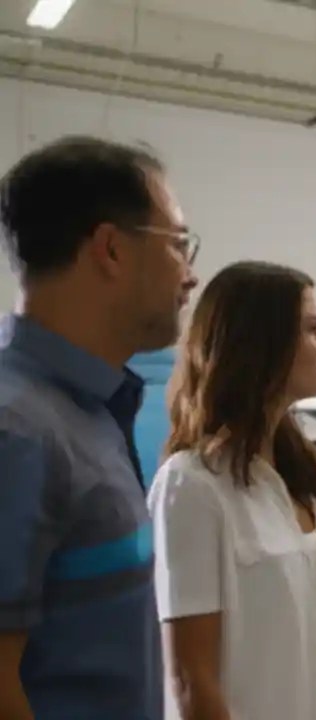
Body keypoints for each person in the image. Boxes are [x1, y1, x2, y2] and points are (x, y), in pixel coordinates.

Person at [0, 136, 199, 720]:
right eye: (179, 246)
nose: (190, 276)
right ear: (110, 248)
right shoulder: (19, 433)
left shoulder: (90, 412)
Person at [148, 260, 316, 720]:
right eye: (312, 330)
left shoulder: (295, 477)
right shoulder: (193, 487)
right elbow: (189, 681)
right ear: (261, 343)